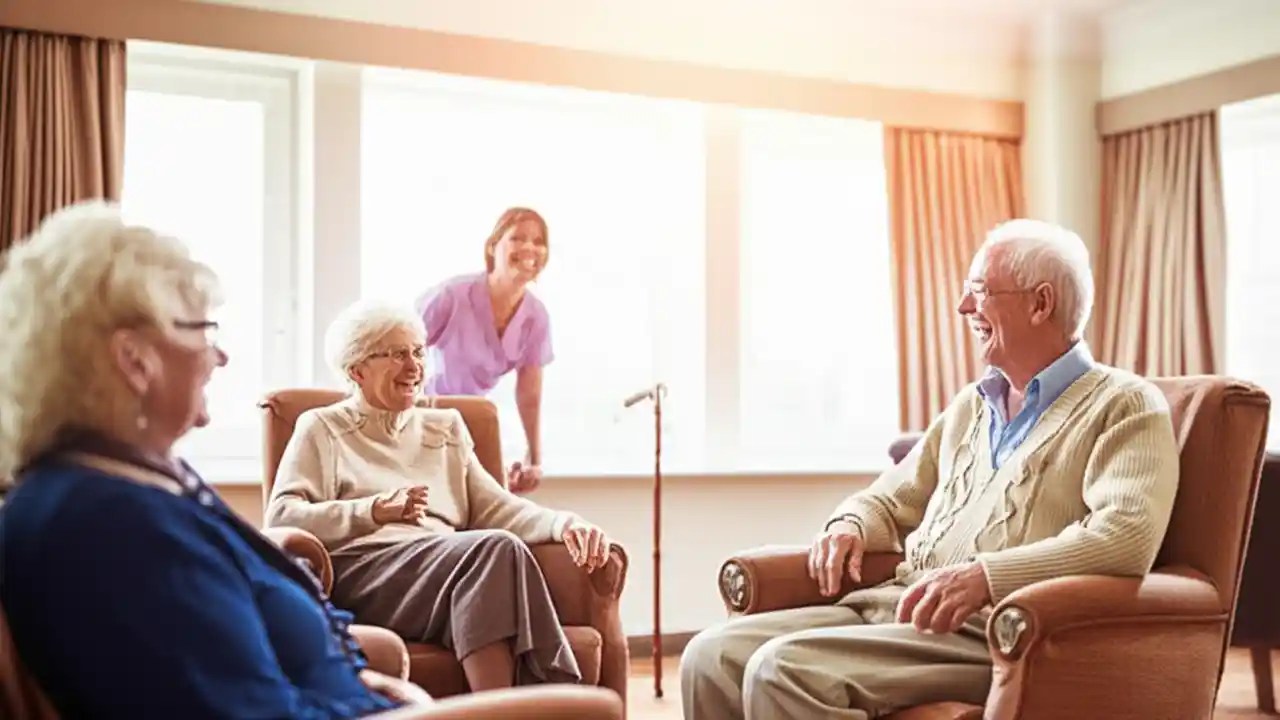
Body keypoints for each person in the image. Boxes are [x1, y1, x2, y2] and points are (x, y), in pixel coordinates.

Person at [680, 219, 1181, 719]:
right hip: (897, 608)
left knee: (782, 670)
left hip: (993, 632)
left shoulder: (1125, 404)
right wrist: (849, 523)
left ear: (1040, 303)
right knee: (710, 656)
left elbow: (1126, 536)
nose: (964, 307)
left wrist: (985, 578)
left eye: (979, 291)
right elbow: (889, 499)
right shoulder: (973, 404)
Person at [0, 201, 432, 718]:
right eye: (204, 330)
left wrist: (359, 679)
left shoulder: (138, 477)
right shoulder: (116, 527)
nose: (218, 356)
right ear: (135, 361)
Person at [264, 297, 612, 693]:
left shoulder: (445, 428)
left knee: (499, 551)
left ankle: (503, 708)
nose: (414, 367)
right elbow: (282, 518)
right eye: (396, 355)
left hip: (452, 571)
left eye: (417, 351)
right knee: (494, 550)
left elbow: (497, 507)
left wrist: (564, 522)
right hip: (368, 574)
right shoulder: (321, 428)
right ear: (356, 370)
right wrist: (372, 511)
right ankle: (537, 695)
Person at [414, 207, 553, 494]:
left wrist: (534, 458)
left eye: (539, 241)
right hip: (425, 415)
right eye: (517, 238)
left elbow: (530, 394)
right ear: (493, 246)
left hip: (472, 422)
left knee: (495, 497)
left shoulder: (536, 317)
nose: (530, 247)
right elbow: (398, 349)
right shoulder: (451, 296)